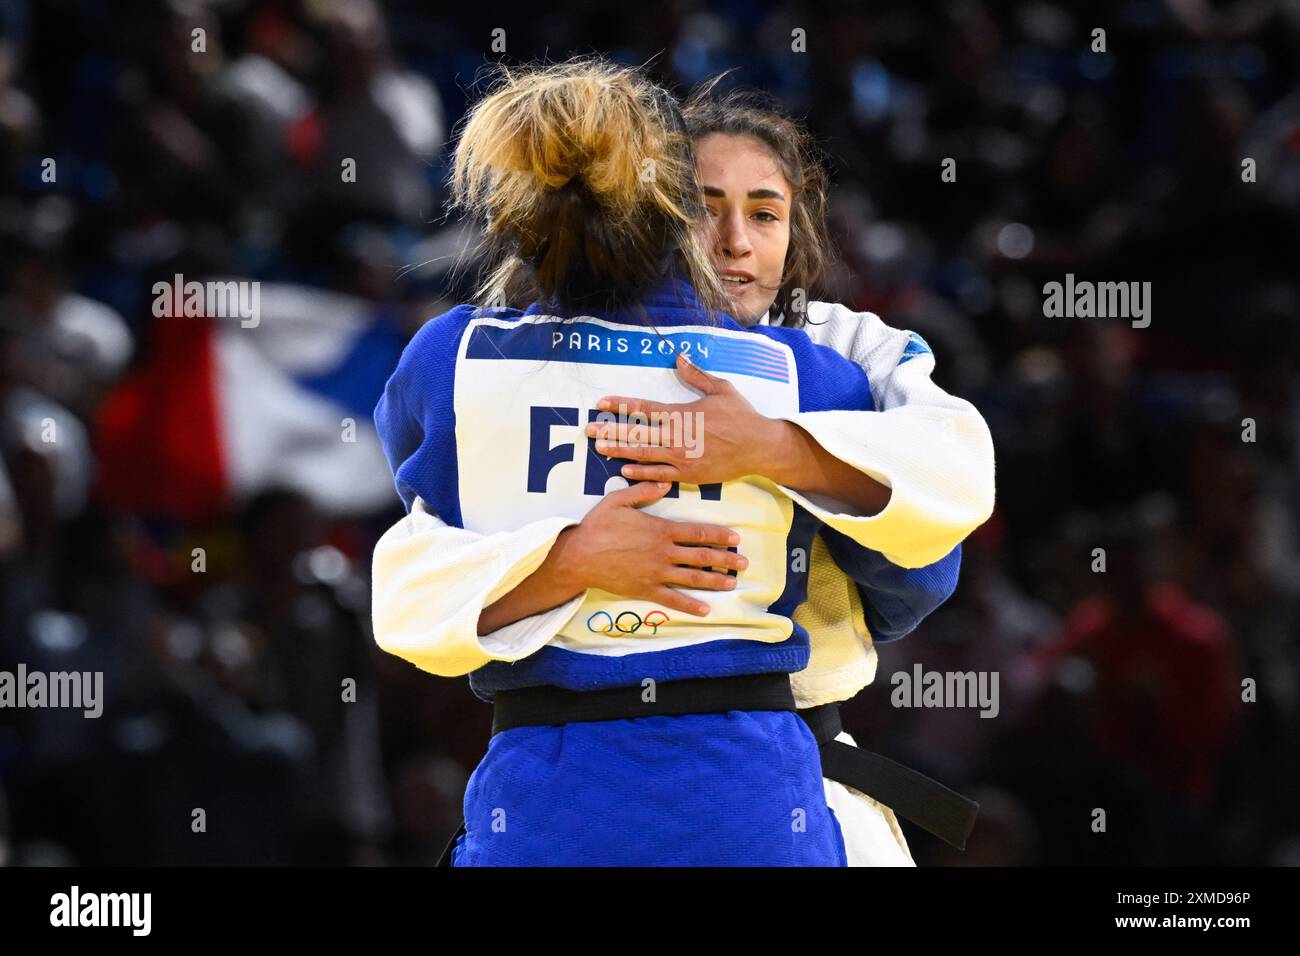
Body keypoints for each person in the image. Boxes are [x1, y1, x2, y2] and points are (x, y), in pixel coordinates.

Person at [372, 78, 996, 864]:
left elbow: (420, 517)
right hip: (761, 796)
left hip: (549, 803)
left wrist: (767, 449)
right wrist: (578, 555)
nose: (735, 240)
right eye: (708, 207)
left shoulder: (451, 355)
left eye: (764, 213)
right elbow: (923, 571)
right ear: (669, 213)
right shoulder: (820, 376)